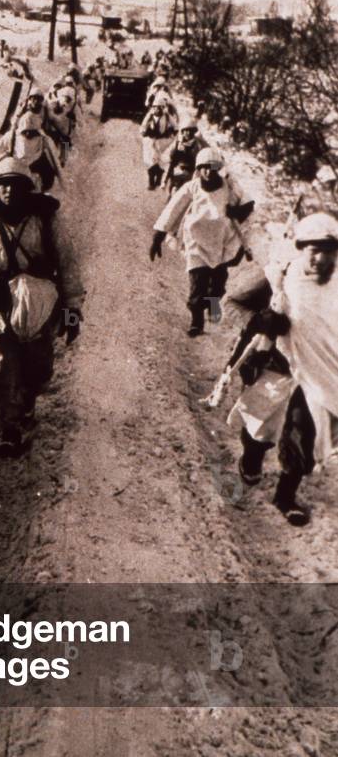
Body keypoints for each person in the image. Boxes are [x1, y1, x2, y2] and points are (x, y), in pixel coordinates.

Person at [0, 157, 84, 457]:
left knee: (38, 368)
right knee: (2, 366)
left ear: (27, 188)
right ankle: (9, 429)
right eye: (2, 185)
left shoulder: (46, 223)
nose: (8, 191)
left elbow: (68, 267)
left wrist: (72, 310)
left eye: (15, 184)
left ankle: (26, 401)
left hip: (38, 309)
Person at [227, 213, 338, 525]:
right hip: (278, 365)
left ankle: (285, 497)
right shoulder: (281, 278)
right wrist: (263, 321)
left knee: (304, 435)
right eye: (312, 250)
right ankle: (251, 458)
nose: (320, 258)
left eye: (328, 251)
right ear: (300, 249)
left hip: (320, 375)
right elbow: (235, 306)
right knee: (260, 426)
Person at [150, 147, 254, 336]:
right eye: (204, 168)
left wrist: (237, 212)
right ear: (199, 169)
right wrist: (158, 235)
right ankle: (196, 320)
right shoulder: (193, 187)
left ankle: (213, 308)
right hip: (196, 244)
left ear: (218, 168)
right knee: (197, 285)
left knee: (217, 285)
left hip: (220, 244)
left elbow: (249, 202)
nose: (208, 172)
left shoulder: (229, 187)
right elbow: (174, 208)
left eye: (212, 168)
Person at [0, 111, 62, 192]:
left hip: (33, 180)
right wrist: (5, 160)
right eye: (25, 131)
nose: (27, 134)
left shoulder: (44, 140)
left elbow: (54, 160)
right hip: (14, 173)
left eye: (31, 132)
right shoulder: (11, 136)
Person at [140, 96, 178, 189]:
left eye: (159, 107)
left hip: (162, 142)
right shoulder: (150, 115)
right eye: (155, 107)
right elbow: (143, 127)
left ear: (162, 108)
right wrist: (145, 132)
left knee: (160, 161)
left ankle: (159, 178)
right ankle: (151, 182)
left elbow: (175, 127)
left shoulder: (167, 116)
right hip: (151, 141)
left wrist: (171, 135)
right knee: (151, 161)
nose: (156, 109)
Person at [164, 117, 208, 194]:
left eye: (190, 130)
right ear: (182, 132)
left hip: (192, 171)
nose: (187, 133)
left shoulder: (198, 143)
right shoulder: (178, 142)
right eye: (185, 130)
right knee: (171, 186)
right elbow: (169, 154)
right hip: (178, 169)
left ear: (194, 132)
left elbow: (207, 151)